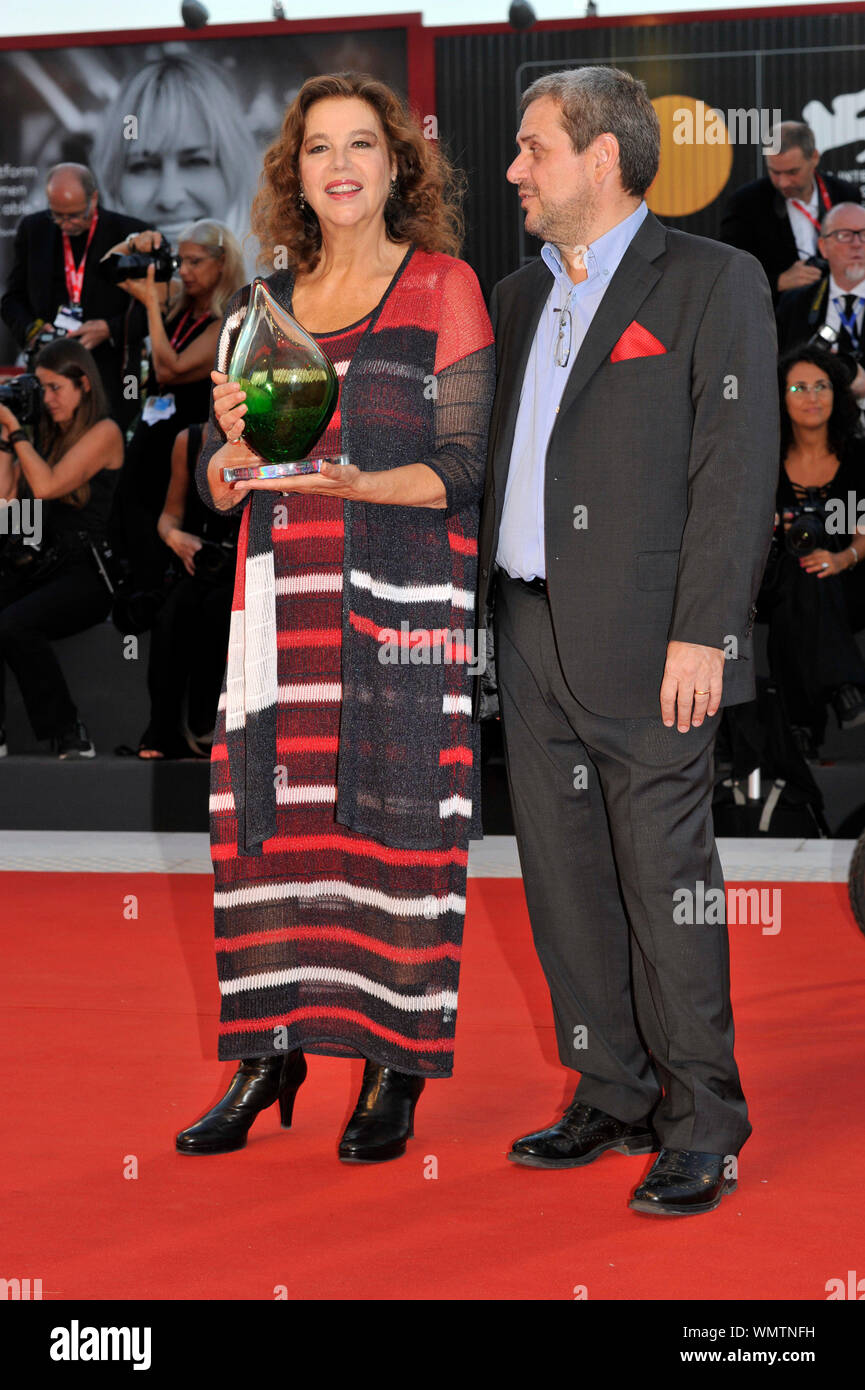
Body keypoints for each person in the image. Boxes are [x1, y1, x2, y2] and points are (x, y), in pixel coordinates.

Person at [174, 72, 494, 1163]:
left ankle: (393, 1065)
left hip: (402, 608)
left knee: (400, 820)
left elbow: (462, 467)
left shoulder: (443, 285)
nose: (342, 164)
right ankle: (268, 1053)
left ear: (399, 165)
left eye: (364, 144)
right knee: (266, 827)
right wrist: (227, 463)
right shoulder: (260, 303)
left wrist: (350, 481)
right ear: (294, 172)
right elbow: (235, 473)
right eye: (319, 148)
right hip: (278, 604)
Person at [477, 66, 779, 1216]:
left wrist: (704, 631)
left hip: (656, 641)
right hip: (528, 625)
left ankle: (703, 1118)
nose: (513, 170)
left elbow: (734, 473)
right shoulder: (514, 297)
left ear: (601, 158)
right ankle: (610, 1085)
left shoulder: (713, 280)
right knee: (561, 881)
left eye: (531, 148)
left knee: (666, 885)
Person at [111, 219, 245, 608]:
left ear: (221, 264)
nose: (183, 271)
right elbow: (111, 268)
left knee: (165, 511)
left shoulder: (225, 322)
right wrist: (133, 243)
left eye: (194, 262)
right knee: (132, 504)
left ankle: (158, 594)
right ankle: (139, 592)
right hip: (155, 429)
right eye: (180, 261)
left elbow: (170, 368)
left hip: (188, 433)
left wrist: (152, 305)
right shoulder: (179, 298)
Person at [0, 339, 123, 757]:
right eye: (42, 389)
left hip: (89, 573)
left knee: (14, 624)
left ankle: (70, 731)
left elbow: (48, 485)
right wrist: (6, 437)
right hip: (44, 565)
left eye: (55, 388)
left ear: (83, 384)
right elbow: (6, 499)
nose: (47, 399)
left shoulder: (105, 432)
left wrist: (16, 433)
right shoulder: (44, 439)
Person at [761, 346, 865, 755]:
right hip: (779, 580)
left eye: (821, 386)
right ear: (781, 398)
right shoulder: (765, 459)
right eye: (799, 387)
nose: (812, 396)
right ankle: (843, 686)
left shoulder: (858, 457)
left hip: (850, 579)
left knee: (811, 571)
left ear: (836, 394)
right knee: (800, 568)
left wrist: (843, 557)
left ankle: (800, 724)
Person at [0, 163, 149, 429]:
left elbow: (154, 309)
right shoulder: (33, 230)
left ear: (93, 198)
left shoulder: (130, 234)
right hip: (49, 373)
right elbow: (11, 300)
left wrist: (110, 329)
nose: (66, 224)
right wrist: (32, 330)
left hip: (110, 373)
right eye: (57, 216)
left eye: (75, 216)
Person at [131, 423, 240, 760]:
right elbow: (169, 515)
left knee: (218, 611)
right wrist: (175, 539)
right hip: (198, 564)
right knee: (172, 614)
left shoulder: (265, 437)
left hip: (242, 564)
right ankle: (162, 728)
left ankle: (207, 724)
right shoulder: (189, 440)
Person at [90, 54, 260, 267]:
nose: (170, 199)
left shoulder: (278, 294)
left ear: (234, 166)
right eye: (143, 167)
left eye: (195, 162)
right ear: (112, 180)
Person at [720, 120, 860, 303]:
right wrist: (778, 281)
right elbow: (730, 271)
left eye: (792, 172)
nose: (783, 182)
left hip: (840, 307)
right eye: (774, 172)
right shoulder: (746, 203)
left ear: (814, 158)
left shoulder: (845, 193)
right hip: (779, 319)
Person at [776, 203, 865, 413]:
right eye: (845, 235)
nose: (857, 244)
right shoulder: (795, 304)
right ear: (823, 247)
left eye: (864, 234)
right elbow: (779, 373)